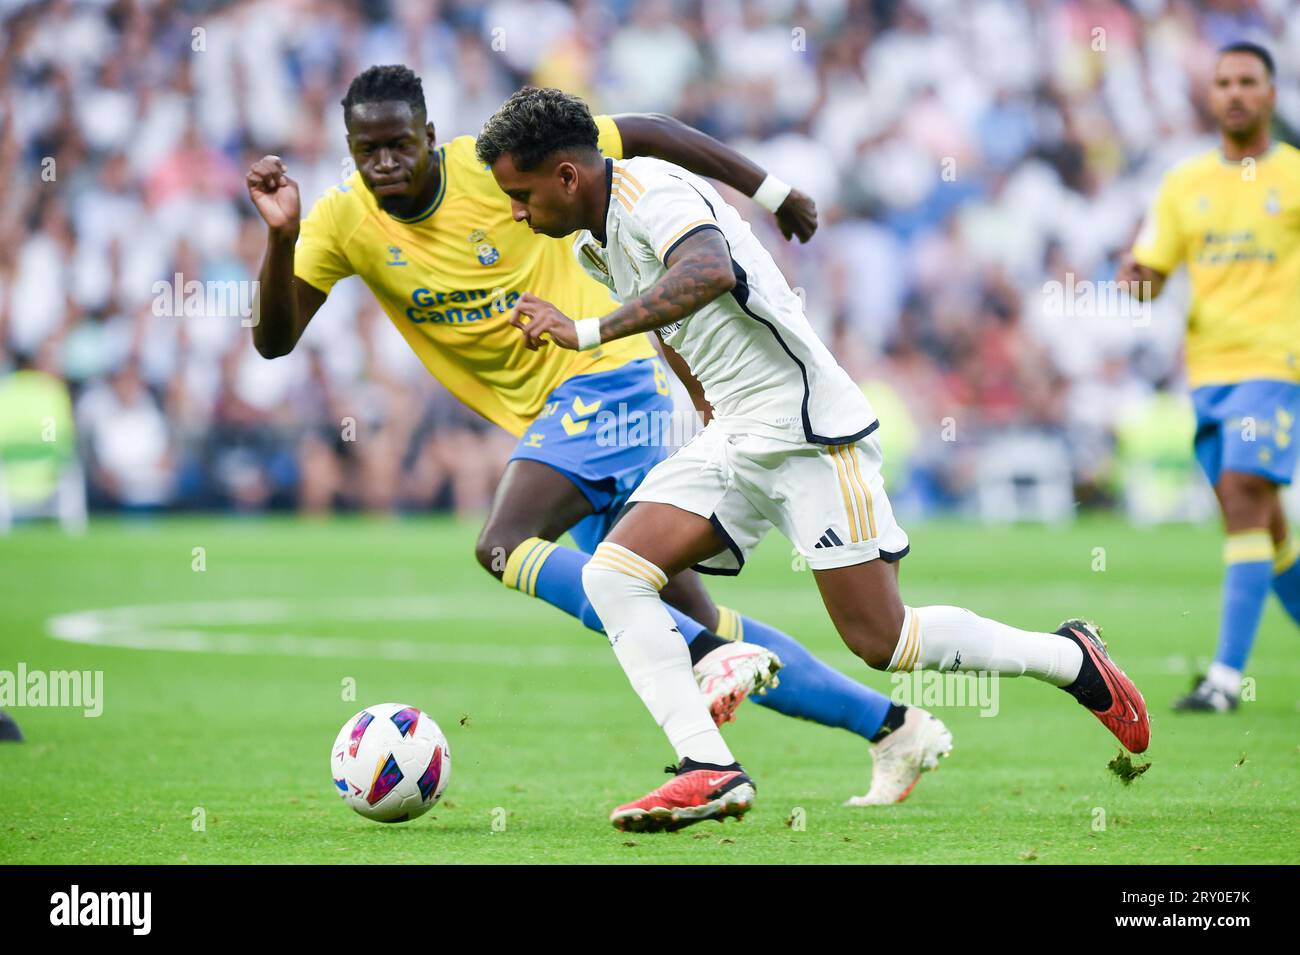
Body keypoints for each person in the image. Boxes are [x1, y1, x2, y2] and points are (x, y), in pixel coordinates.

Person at [246, 66, 953, 806]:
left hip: (605, 379)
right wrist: (282, 239)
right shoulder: (341, 221)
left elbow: (650, 133)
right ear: (349, 149)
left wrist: (770, 190)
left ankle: (713, 686)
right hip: (558, 425)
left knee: (502, 542)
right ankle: (891, 726)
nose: (384, 163)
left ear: (429, 136)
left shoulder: (496, 167)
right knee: (677, 616)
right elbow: (274, 341)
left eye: (399, 145)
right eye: (367, 151)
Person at [476, 86, 1149, 832]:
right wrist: (703, 405)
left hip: (808, 432)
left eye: (519, 194)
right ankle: (709, 767)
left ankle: (1070, 659)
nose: (515, 211)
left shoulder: (653, 192)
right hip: (735, 434)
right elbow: (675, 326)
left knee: (884, 641)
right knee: (613, 572)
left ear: (567, 176)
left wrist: (586, 329)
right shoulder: (589, 240)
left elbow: (707, 272)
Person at [1119, 42, 1300, 712]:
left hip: (1276, 365)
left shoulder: (1296, 176)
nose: (1234, 93)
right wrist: (1136, 280)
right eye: (1223, 82)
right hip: (1210, 372)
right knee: (1263, 524)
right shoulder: (1183, 184)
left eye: (1248, 82)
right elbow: (1150, 275)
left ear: (1271, 95)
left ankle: (1224, 681)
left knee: (1243, 491)